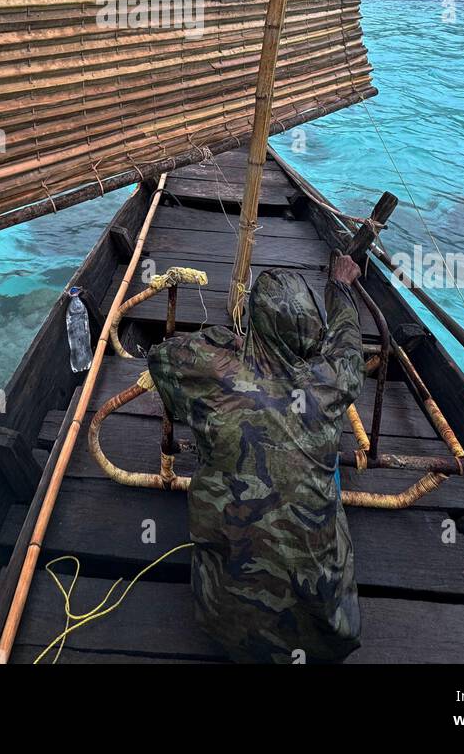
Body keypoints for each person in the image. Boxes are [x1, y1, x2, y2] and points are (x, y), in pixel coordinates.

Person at [147, 252, 364, 664]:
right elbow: (348, 343)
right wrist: (340, 286)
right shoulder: (332, 382)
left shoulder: (214, 373)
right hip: (331, 633)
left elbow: (162, 355)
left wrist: (228, 343)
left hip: (224, 626)